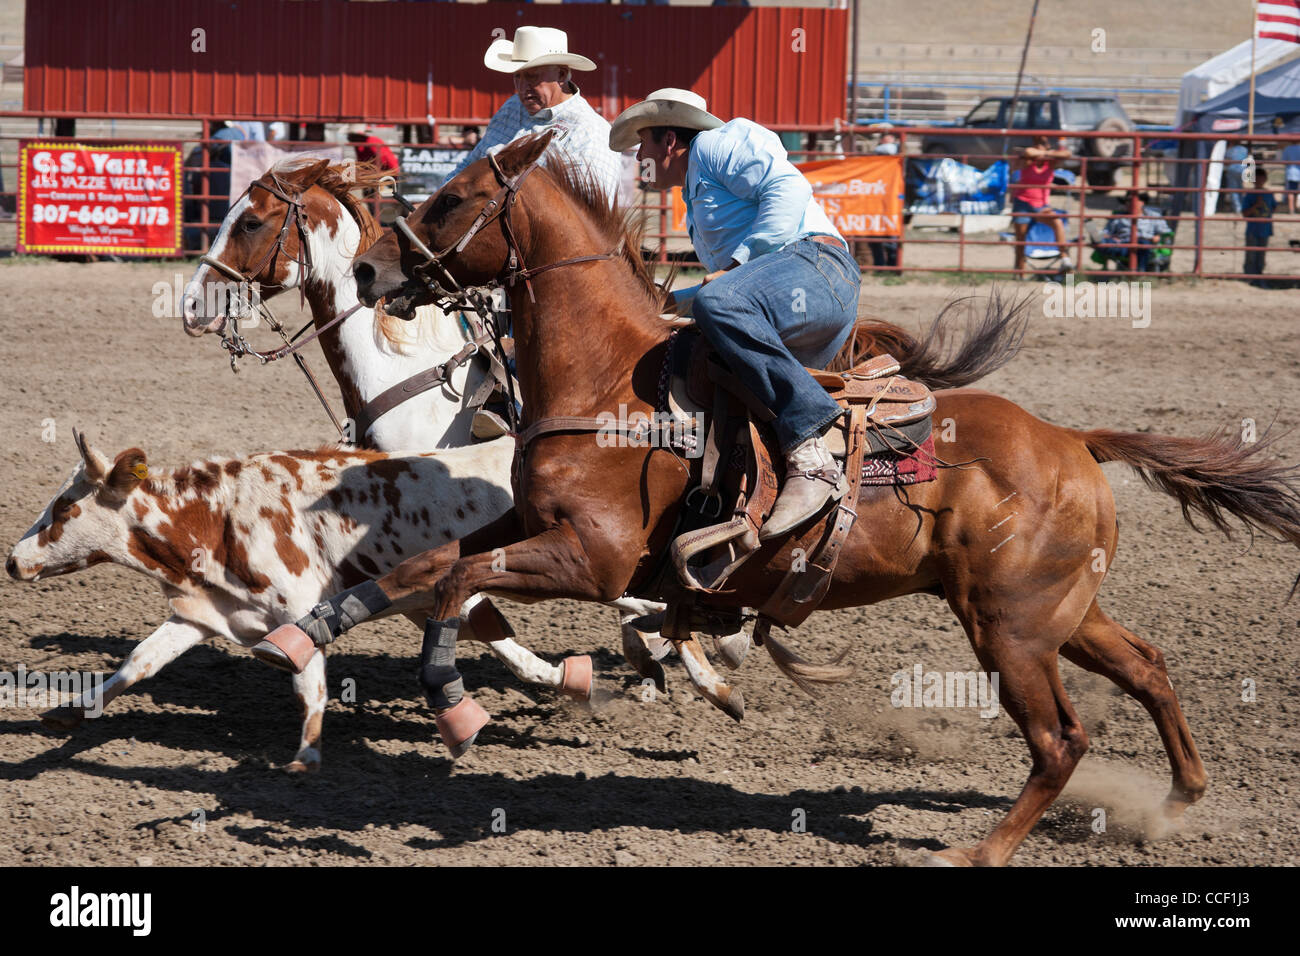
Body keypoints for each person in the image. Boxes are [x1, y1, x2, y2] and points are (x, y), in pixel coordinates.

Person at [611, 89, 862, 537]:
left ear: (670, 141)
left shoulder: (715, 144)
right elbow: (735, 289)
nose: (639, 157)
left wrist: (734, 265)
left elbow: (789, 188)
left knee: (717, 303)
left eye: (643, 144)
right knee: (696, 342)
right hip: (801, 291)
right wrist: (668, 303)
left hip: (818, 270)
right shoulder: (698, 186)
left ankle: (811, 455)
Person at [445, 27, 622, 206]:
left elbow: (592, 210)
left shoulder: (590, 132)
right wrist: (437, 201)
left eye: (532, 77)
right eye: (517, 77)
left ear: (561, 74)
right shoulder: (513, 106)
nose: (522, 89)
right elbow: (472, 164)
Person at [1011, 135, 1073, 275]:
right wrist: (1045, 153)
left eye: (1043, 144)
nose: (1039, 148)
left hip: (1041, 206)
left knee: (1057, 222)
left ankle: (1065, 259)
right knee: (1021, 241)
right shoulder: (1027, 160)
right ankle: (1019, 273)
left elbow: (1067, 154)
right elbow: (1028, 152)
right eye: (1038, 144)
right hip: (1022, 203)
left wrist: (1046, 154)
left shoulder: (1049, 163)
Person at [1090, 190, 1170, 272]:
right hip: (1122, 244)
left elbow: (1166, 232)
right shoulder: (1118, 217)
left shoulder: (1153, 215)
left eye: (1133, 200)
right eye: (1127, 201)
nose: (1129, 203)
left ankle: (1140, 272)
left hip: (1143, 244)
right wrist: (1110, 236)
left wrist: (1158, 237)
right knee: (1101, 242)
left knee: (1143, 245)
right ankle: (1090, 227)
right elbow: (1106, 232)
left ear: (1142, 202)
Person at [1243, 168, 1277, 284]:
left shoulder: (1269, 194)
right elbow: (1245, 213)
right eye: (1257, 178)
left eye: (1261, 178)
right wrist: (1256, 205)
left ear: (1265, 179)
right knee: (1251, 255)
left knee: (1261, 255)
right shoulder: (1250, 195)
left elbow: (1273, 207)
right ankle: (1249, 277)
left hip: (1265, 229)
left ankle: (1259, 276)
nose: (1259, 180)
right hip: (1253, 230)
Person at [1281, 141, 1300, 216]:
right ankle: (1295, 207)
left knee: (1291, 191)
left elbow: (1284, 160)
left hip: (1291, 173)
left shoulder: (1287, 149)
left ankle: (1291, 209)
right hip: (1297, 172)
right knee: (1295, 192)